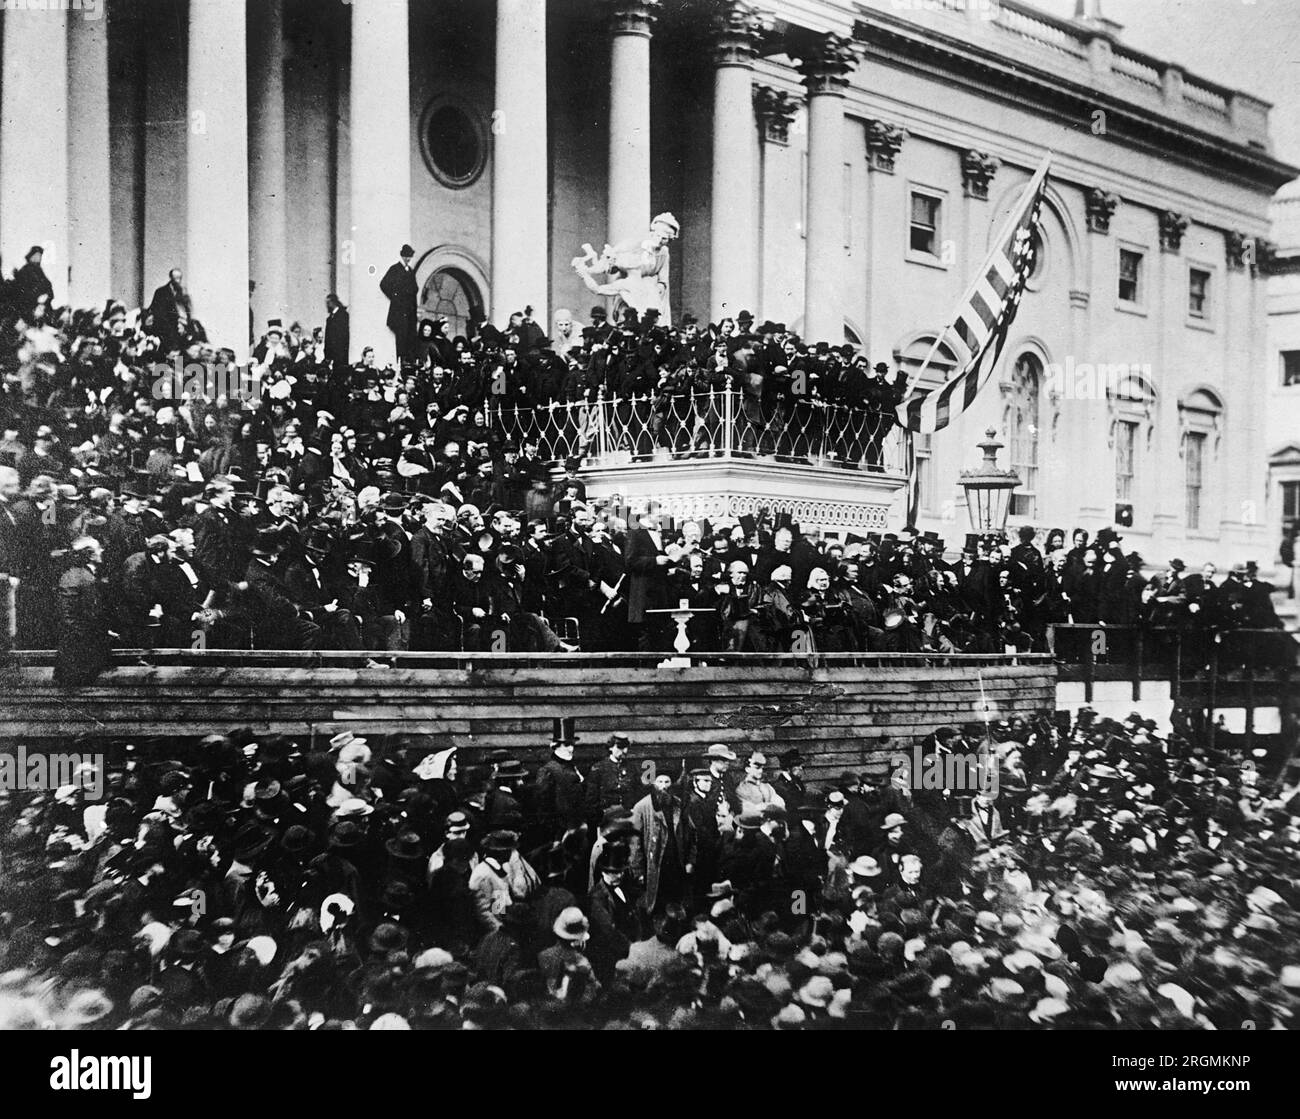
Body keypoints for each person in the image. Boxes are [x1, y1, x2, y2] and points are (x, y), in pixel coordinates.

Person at [379, 244, 419, 364]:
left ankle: (408, 362)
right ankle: (400, 362)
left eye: (410, 257)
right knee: (401, 338)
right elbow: (384, 284)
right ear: (402, 256)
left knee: (410, 338)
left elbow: (414, 289)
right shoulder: (395, 269)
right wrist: (395, 296)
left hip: (409, 311)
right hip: (399, 311)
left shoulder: (410, 272)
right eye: (406, 256)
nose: (408, 259)